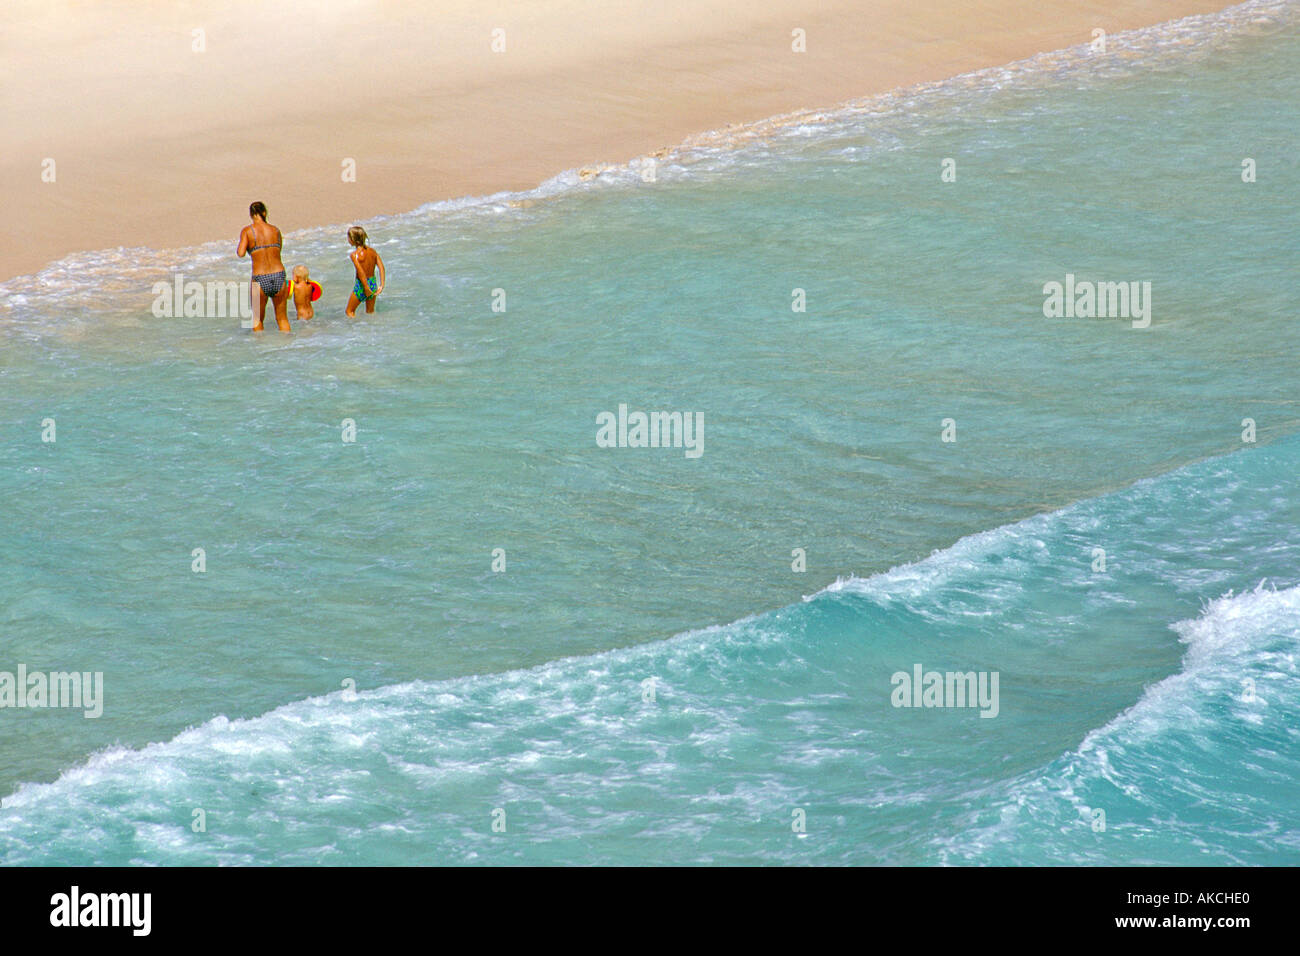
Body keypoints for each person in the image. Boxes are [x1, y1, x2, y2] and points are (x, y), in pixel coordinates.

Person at [236, 201, 291, 332]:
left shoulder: (247, 231)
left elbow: (240, 253)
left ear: (251, 215)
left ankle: (259, 349)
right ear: (264, 212)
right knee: (282, 319)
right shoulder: (275, 230)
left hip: (260, 278)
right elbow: (279, 250)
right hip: (278, 275)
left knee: (257, 320)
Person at [345, 226, 386, 317]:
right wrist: (381, 285)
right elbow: (381, 267)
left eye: (348, 238)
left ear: (353, 239)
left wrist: (366, 288)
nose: (348, 240)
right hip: (372, 283)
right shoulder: (372, 251)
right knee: (370, 312)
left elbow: (361, 272)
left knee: (349, 311)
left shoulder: (354, 255)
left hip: (362, 285)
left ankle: (355, 330)